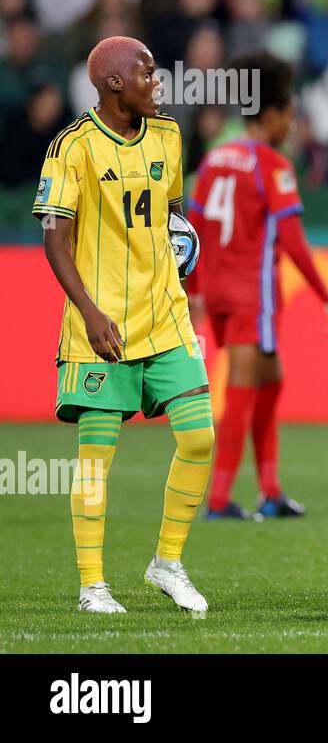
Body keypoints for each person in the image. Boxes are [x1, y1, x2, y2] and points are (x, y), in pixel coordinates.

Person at [34, 35, 212, 614]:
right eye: (147, 74)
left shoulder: (169, 135)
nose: (156, 83)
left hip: (165, 316)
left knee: (200, 437)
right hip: (102, 325)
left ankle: (167, 562)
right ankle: (93, 586)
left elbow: (171, 212)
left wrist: (182, 254)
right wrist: (88, 312)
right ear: (114, 84)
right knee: (97, 460)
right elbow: (54, 238)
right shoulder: (72, 147)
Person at [187, 52, 328, 521]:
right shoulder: (272, 165)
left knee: (270, 382)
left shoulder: (215, 156)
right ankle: (218, 499)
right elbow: (293, 239)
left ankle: (270, 492)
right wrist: (326, 297)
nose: (293, 126)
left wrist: (194, 289)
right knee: (241, 389)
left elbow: (189, 227)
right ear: (271, 115)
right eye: (290, 116)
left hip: (214, 292)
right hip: (252, 295)